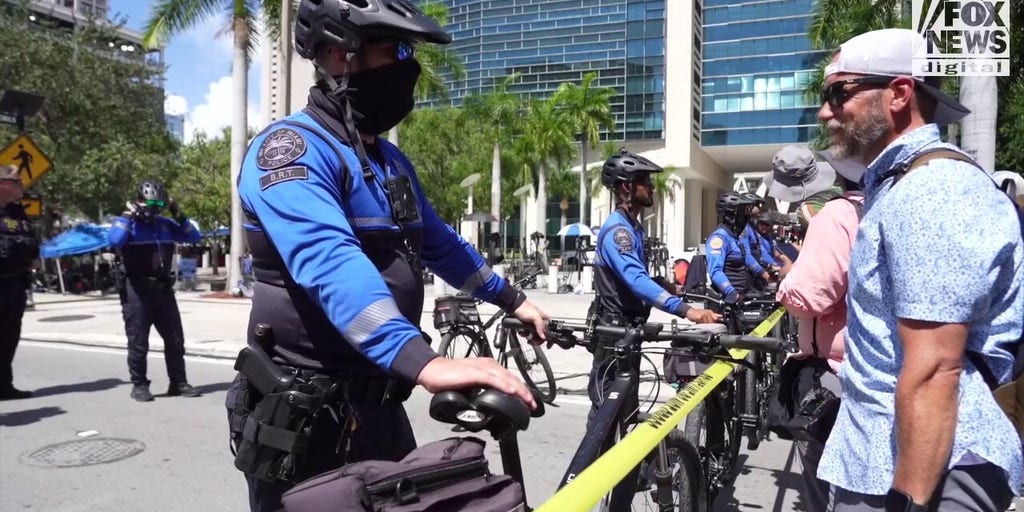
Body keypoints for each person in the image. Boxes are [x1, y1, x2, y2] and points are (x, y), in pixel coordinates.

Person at [230, 1, 548, 510]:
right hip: (307, 415)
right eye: (394, 50)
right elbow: (330, 261)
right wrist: (427, 364)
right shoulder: (289, 150)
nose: (408, 67)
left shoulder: (387, 159)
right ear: (338, 55)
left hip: (380, 406)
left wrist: (513, 299)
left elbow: (440, 242)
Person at [815, 28, 1020, 511]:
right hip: (881, 458)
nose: (826, 112)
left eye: (839, 93)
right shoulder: (900, 184)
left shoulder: (931, 191)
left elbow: (934, 369)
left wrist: (908, 499)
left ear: (900, 94)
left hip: (918, 474)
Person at [587, 148, 720, 509]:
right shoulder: (619, 232)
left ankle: (619, 499)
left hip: (627, 335)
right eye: (646, 182)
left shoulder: (633, 227)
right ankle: (591, 495)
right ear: (627, 188)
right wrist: (684, 308)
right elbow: (633, 280)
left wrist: (670, 285)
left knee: (624, 422)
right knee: (604, 428)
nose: (652, 187)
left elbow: (640, 277)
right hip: (613, 338)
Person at [773, 162, 863, 512]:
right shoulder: (881, 208)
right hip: (874, 370)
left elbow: (809, 298)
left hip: (837, 374)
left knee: (819, 470)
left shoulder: (836, 214)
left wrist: (788, 281)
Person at [108, 180, 202, 402]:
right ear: (139, 201)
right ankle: (139, 384)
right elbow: (114, 239)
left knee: (176, 339)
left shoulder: (165, 224)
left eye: (159, 204)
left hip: (163, 290)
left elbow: (194, 237)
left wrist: (177, 211)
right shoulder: (129, 225)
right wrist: (127, 214)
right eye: (149, 204)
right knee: (139, 341)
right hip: (136, 290)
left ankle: (178, 382)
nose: (153, 209)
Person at [0, 165, 38, 400]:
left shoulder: (17, 210)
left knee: (9, 335)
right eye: (17, 182)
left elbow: (29, 235)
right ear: (2, 183)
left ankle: (4, 385)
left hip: (16, 282)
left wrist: (35, 255)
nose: (22, 186)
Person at [706, 192, 763, 303]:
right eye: (743, 213)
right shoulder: (719, 238)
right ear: (730, 216)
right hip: (730, 300)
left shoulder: (734, 237)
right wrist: (730, 291)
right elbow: (715, 271)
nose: (746, 217)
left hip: (743, 295)